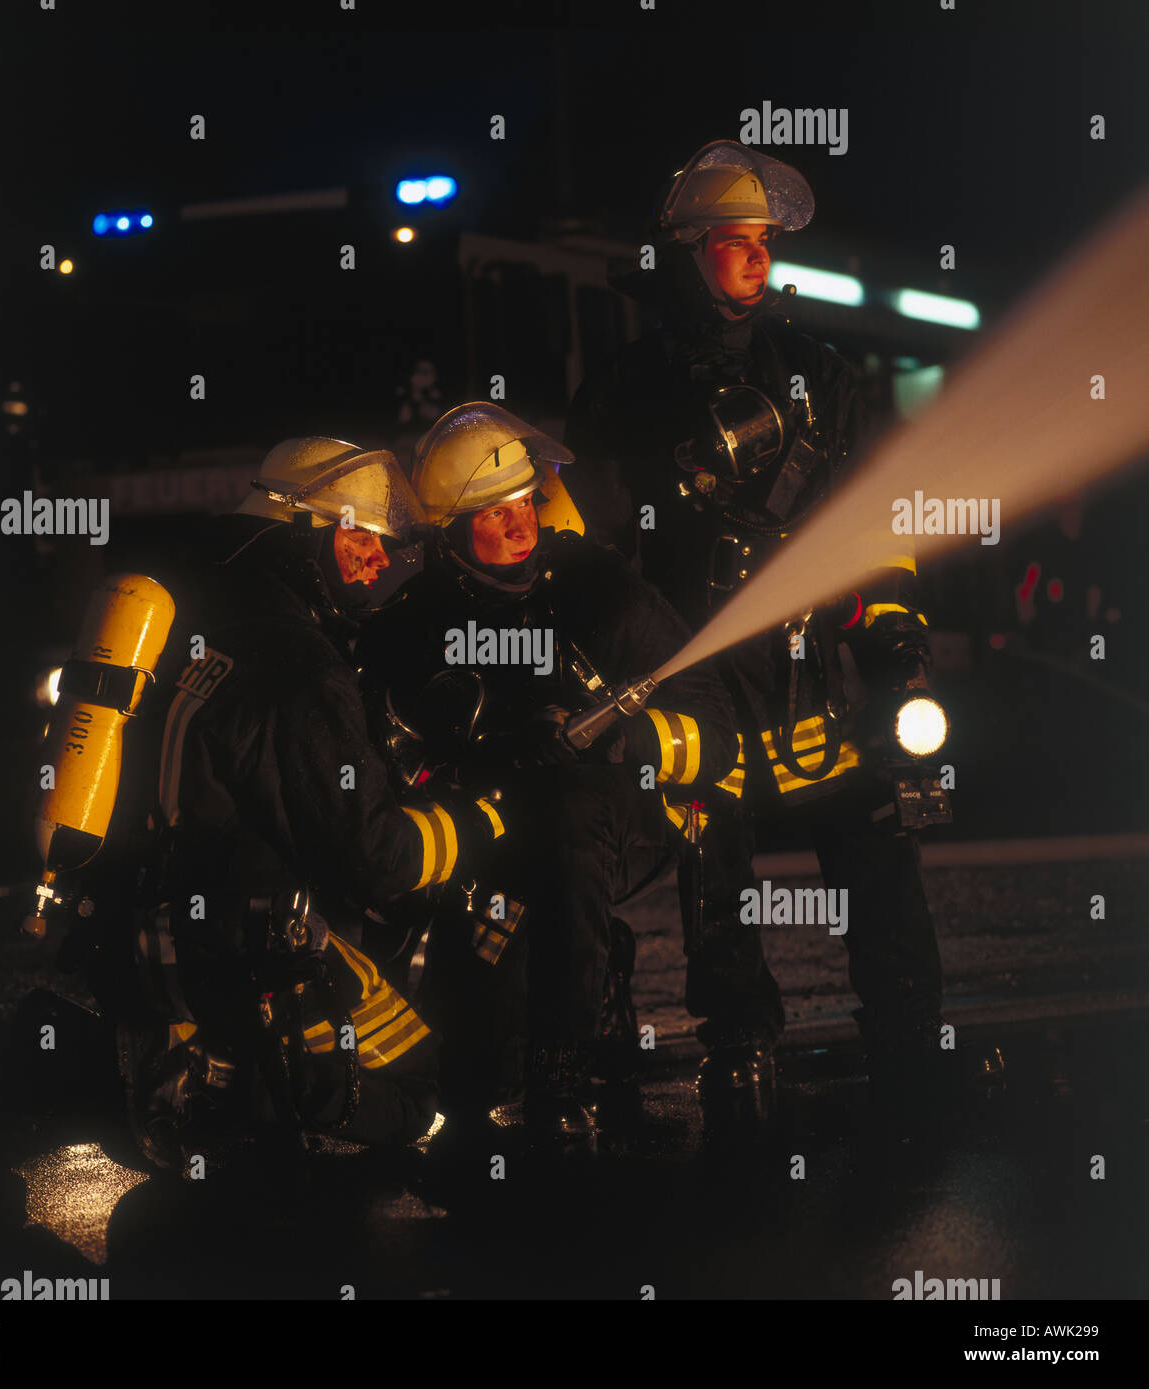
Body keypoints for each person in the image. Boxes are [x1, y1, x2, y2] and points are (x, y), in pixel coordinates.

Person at [565, 139, 994, 1119]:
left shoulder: (821, 376)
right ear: (686, 254)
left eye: (762, 241)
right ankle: (740, 1050)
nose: (757, 258)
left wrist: (894, 647)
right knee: (716, 867)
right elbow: (590, 557)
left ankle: (909, 1040)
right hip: (697, 673)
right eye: (733, 242)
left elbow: (869, 531)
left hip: (815, 673)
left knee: (879, 846)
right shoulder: (620, 396)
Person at [57, 438, 509, 1166]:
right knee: (421, 1084)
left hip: (138, 945)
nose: (376, 561)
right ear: (308, 533)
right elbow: (380, 861)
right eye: (359, 537)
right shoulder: (298, 665)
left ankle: (133, 1062)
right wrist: (478, 819)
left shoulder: (185, 612)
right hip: (241, 961)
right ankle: (237, 1083)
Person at [356, 402, 740, 1147]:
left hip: (615, 821)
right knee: (467, 1080)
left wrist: (622, 738)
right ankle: (583, 976)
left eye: (525, 501)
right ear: (452, 531)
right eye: (494, 514)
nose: (519, 524)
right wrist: (494, 753)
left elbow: (716, 731)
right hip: (491, 842)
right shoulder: (414, 620)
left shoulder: (598, 589)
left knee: (571, 817)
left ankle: (562, 1076)